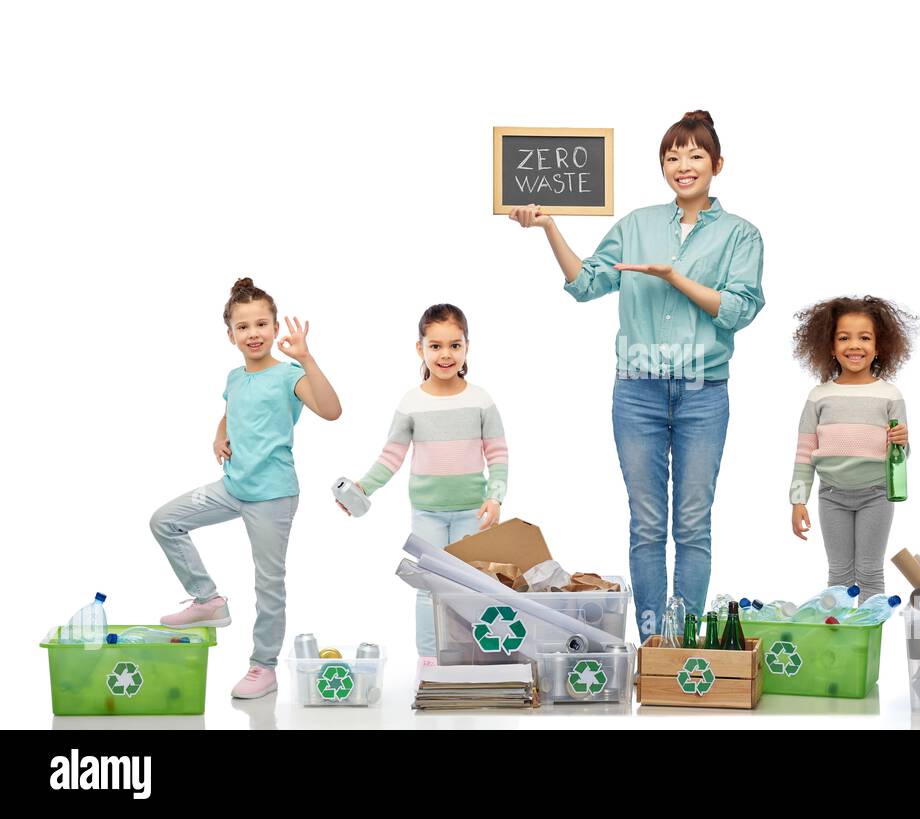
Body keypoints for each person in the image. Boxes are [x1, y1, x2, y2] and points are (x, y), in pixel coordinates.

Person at [508, 111, 764, 640]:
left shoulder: (742, 235)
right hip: (637, 392)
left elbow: (738, 308)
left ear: (717, 164)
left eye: (695, 155)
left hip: (702, 393)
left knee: (693, 524)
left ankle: (685, 642)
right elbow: (586, 284)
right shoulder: (636, 225)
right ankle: (652, 642)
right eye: (672, 157)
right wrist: (550, 228)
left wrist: (675, 277)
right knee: (647, 525)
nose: (683, 166)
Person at [150, 278, 342, 699]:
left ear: (275, 328)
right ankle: (207, 600)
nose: (253, 333)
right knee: (165, 521)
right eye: (243, 327)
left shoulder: (289, 375)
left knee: (268, 582)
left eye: (261, 324)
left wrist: (307, 359)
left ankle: (263, 667)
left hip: (273, 495)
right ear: (231, 335)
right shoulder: (235, 377)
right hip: (233, 486)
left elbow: (331, 410)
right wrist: (219, 436)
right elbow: (229, 413)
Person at [340, 304, 506, 658]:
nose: (445, 354)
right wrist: (363, 487)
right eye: (435, 346)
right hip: (427, 513)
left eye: (454, 345)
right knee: (428, 588)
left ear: (466, 347)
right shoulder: (411, 403)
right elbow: (391, 456)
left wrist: (495, 498)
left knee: (469, 588)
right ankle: (429, 658)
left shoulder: (481, 400)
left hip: (472, 513)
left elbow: (498, 456)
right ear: (421, 348)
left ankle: (468, 655)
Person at [789, 297, 917, 597]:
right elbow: (804, 452)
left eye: (865, 337)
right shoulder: (819, 396)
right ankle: (842, 643)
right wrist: (798, 500)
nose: (854, 345)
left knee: (871, 572)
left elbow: (899, 455)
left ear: (879, 346)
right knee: (839, 575)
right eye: (844, 338)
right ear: (830, 347)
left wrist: (903, 443)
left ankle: (870, 643)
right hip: (832, 495)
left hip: (876, 494)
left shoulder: (890, 395)